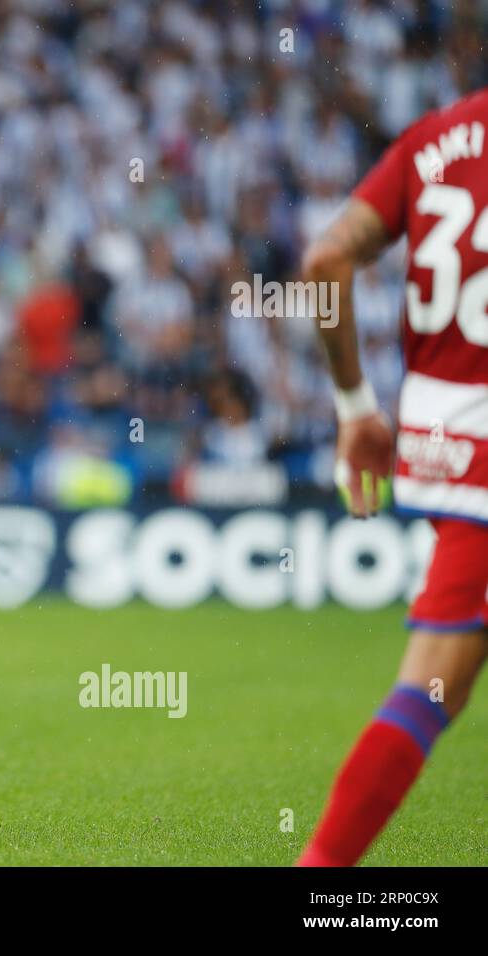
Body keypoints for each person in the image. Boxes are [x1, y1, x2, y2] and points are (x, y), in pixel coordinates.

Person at [297, 88, 488, 866]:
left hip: (444, 443)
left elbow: (324, 259)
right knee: (431, 683)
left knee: (439, 687)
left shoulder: (437, 138)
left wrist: (354, 407)